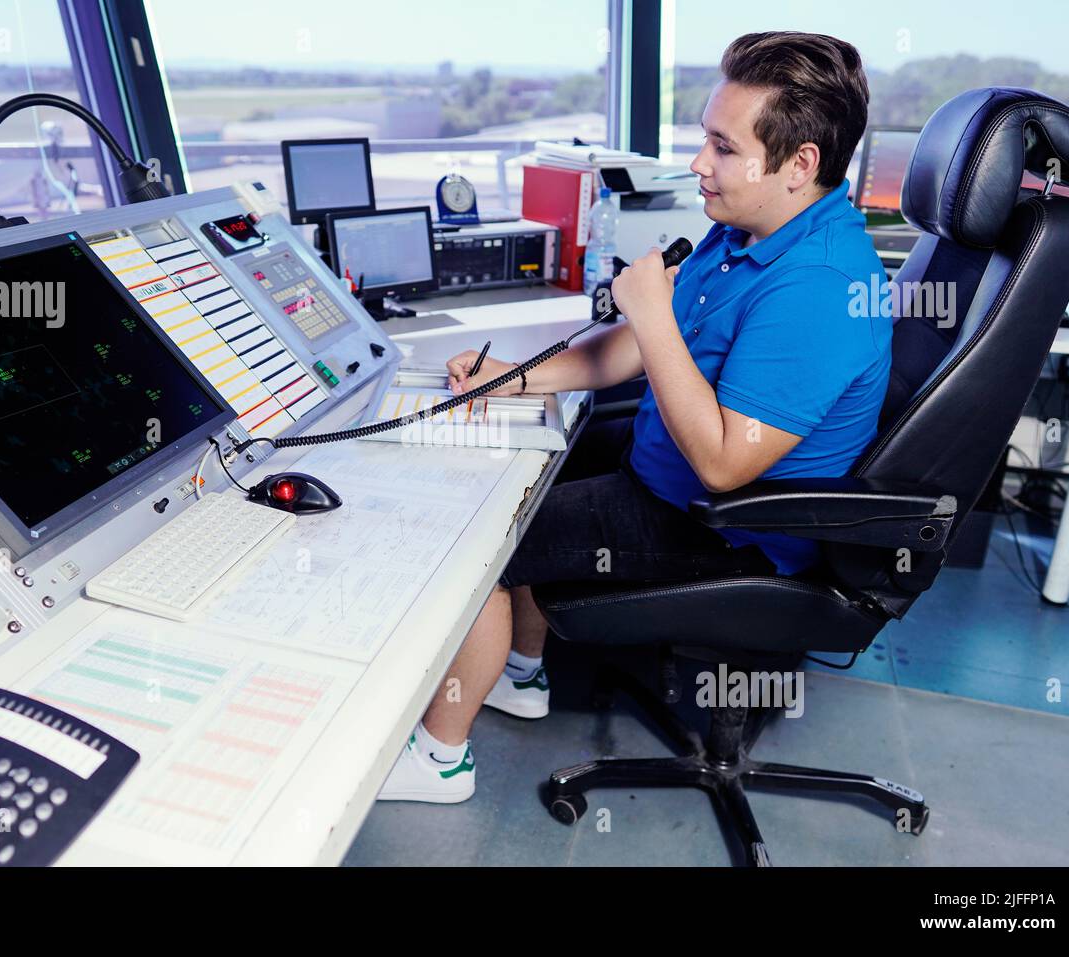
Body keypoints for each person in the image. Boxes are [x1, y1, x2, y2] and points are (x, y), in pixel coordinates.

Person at [378, 31, 892, 803]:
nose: (699, 164)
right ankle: (519, 673)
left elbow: (724, 460)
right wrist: (512, 378)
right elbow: (631, 346)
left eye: (722, 147)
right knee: (526, 467)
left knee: (479, 539)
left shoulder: (819, 283)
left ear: (800, 164)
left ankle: (441, 759)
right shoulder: (754, 227)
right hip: (676, 476)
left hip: (729, 525)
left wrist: (652, 313)